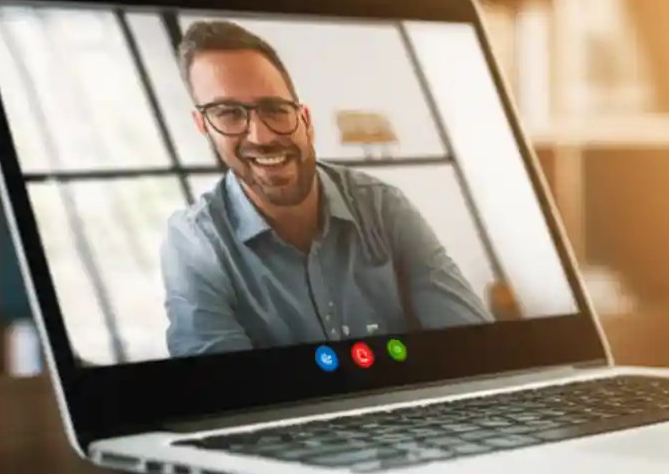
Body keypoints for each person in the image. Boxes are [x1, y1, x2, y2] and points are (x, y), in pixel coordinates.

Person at [162, 20, 493, 357]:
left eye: (275, 109)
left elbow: (475, 349)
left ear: (306, 119)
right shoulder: (195, 243)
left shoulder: (384, 207)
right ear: (203, 126)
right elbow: (224, 397)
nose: (261, 136)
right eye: (229, 114)